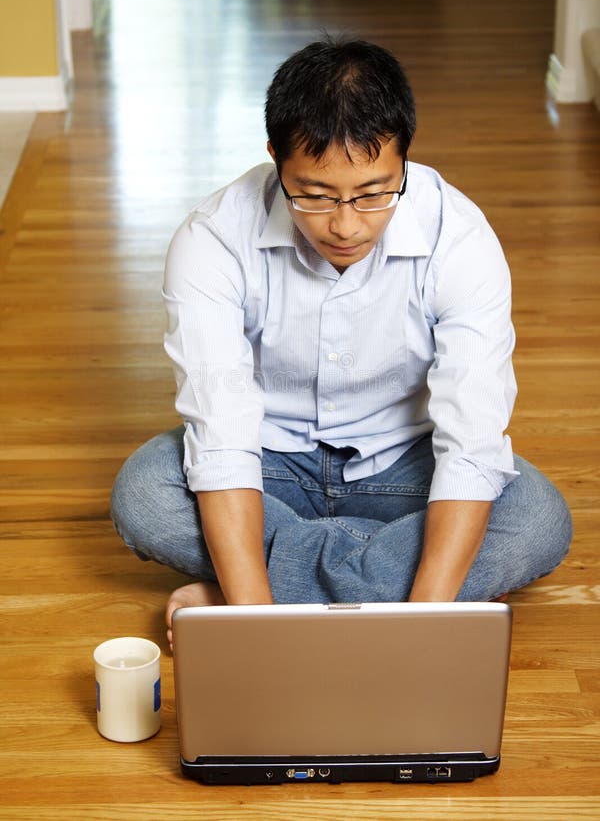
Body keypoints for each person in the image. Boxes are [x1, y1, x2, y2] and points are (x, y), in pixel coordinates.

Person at [110, 37, 572, 643]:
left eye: (375, 192)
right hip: (267, 463)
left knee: (536, 518)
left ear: (405, 157)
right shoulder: (213, 239)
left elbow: (471, 444)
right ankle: (350, 585)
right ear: (275, 157)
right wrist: (256, 638)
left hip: (403, 465)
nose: (347, 225)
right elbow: (222, 439)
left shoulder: (459, 238)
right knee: (144, 494)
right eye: (316, 194)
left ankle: (248, 587)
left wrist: (422, 627)